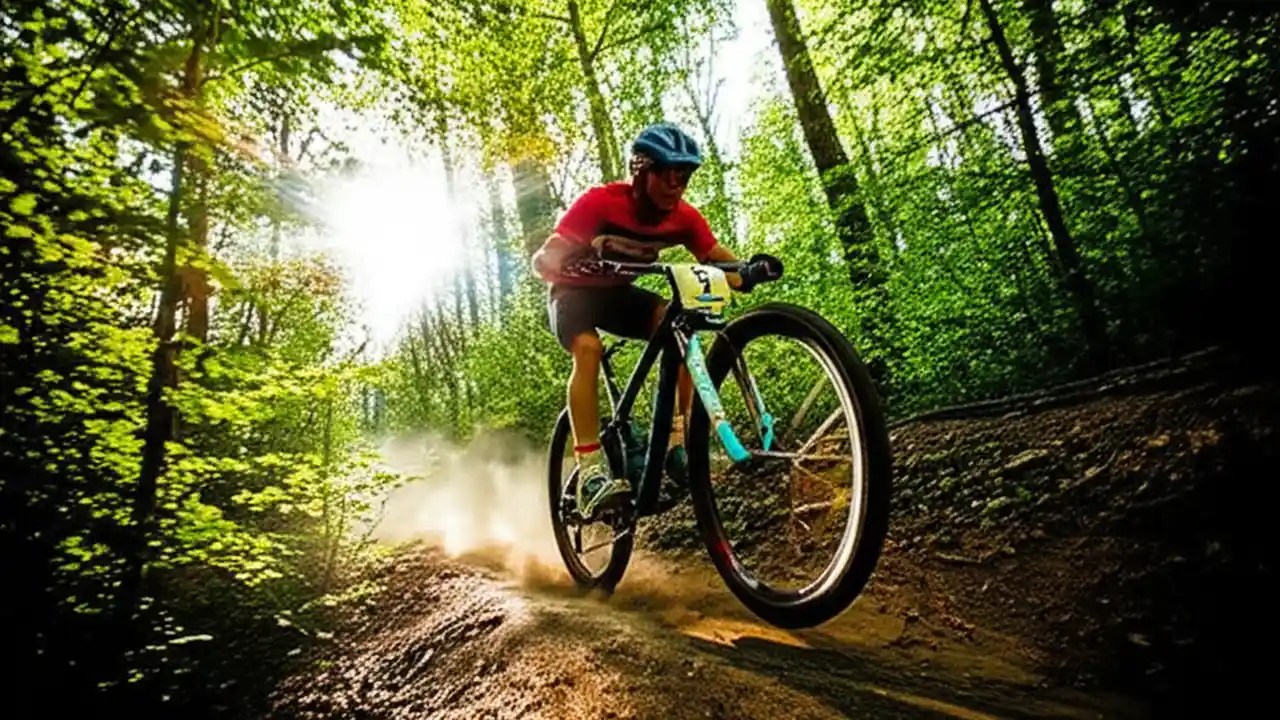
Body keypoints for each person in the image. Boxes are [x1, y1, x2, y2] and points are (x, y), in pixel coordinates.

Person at [530, 122, 744, 519]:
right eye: (667, 171)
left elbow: (717, 257)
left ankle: (677, 446)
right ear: (641, 171)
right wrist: (551, 260)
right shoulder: (601, 204)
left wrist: (746, 271)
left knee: (680, 325)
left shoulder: (684, 218)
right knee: (588, 349)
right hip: (572, 294)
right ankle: (590, 471)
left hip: (617, 295)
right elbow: (549, 252)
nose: (676, 182)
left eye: (685, 173)